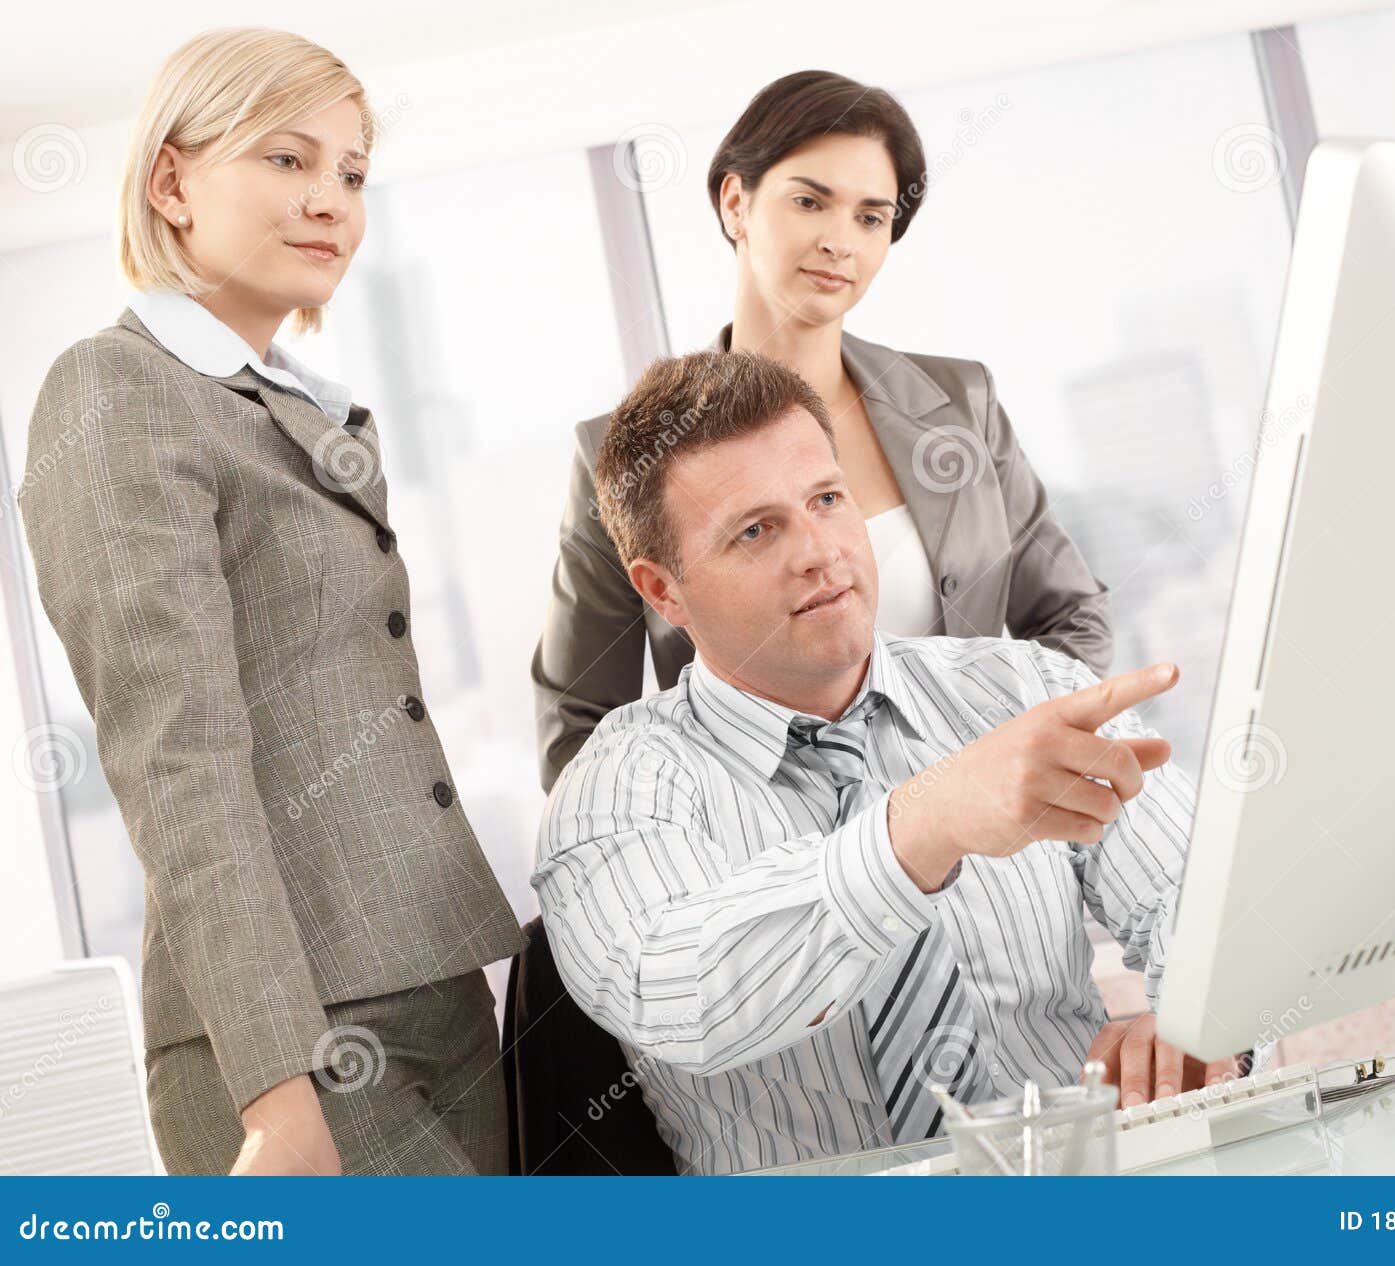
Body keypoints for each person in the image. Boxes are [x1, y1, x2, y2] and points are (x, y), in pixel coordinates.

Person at [19, 27, 524, 1175]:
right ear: (172, 181)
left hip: (435, 988)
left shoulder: (296, 406)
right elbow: (175, 756)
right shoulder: (117, 389)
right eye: (287, 161)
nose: (330, 202)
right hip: (296, 1033)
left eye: (351, 173)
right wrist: (271, 1082)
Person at [533, 350, 1234, 1175]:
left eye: (828, 500)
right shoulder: (616, 791)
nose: (820, 552)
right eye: (756, 530)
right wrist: (919, 828)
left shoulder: (1023, 689)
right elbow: (684, 998)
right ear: (663, 591)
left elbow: (1205, 896)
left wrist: (1194, 1018)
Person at [532, 70, 1112, 791]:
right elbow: (581, 717)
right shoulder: (621, 456)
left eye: (870, 217)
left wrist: (1000, 769)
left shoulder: (961, 402)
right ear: (735, 202)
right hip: (777, 863)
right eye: (810, 201)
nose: (841, 241)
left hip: (986, 849)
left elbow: (1070, 617)